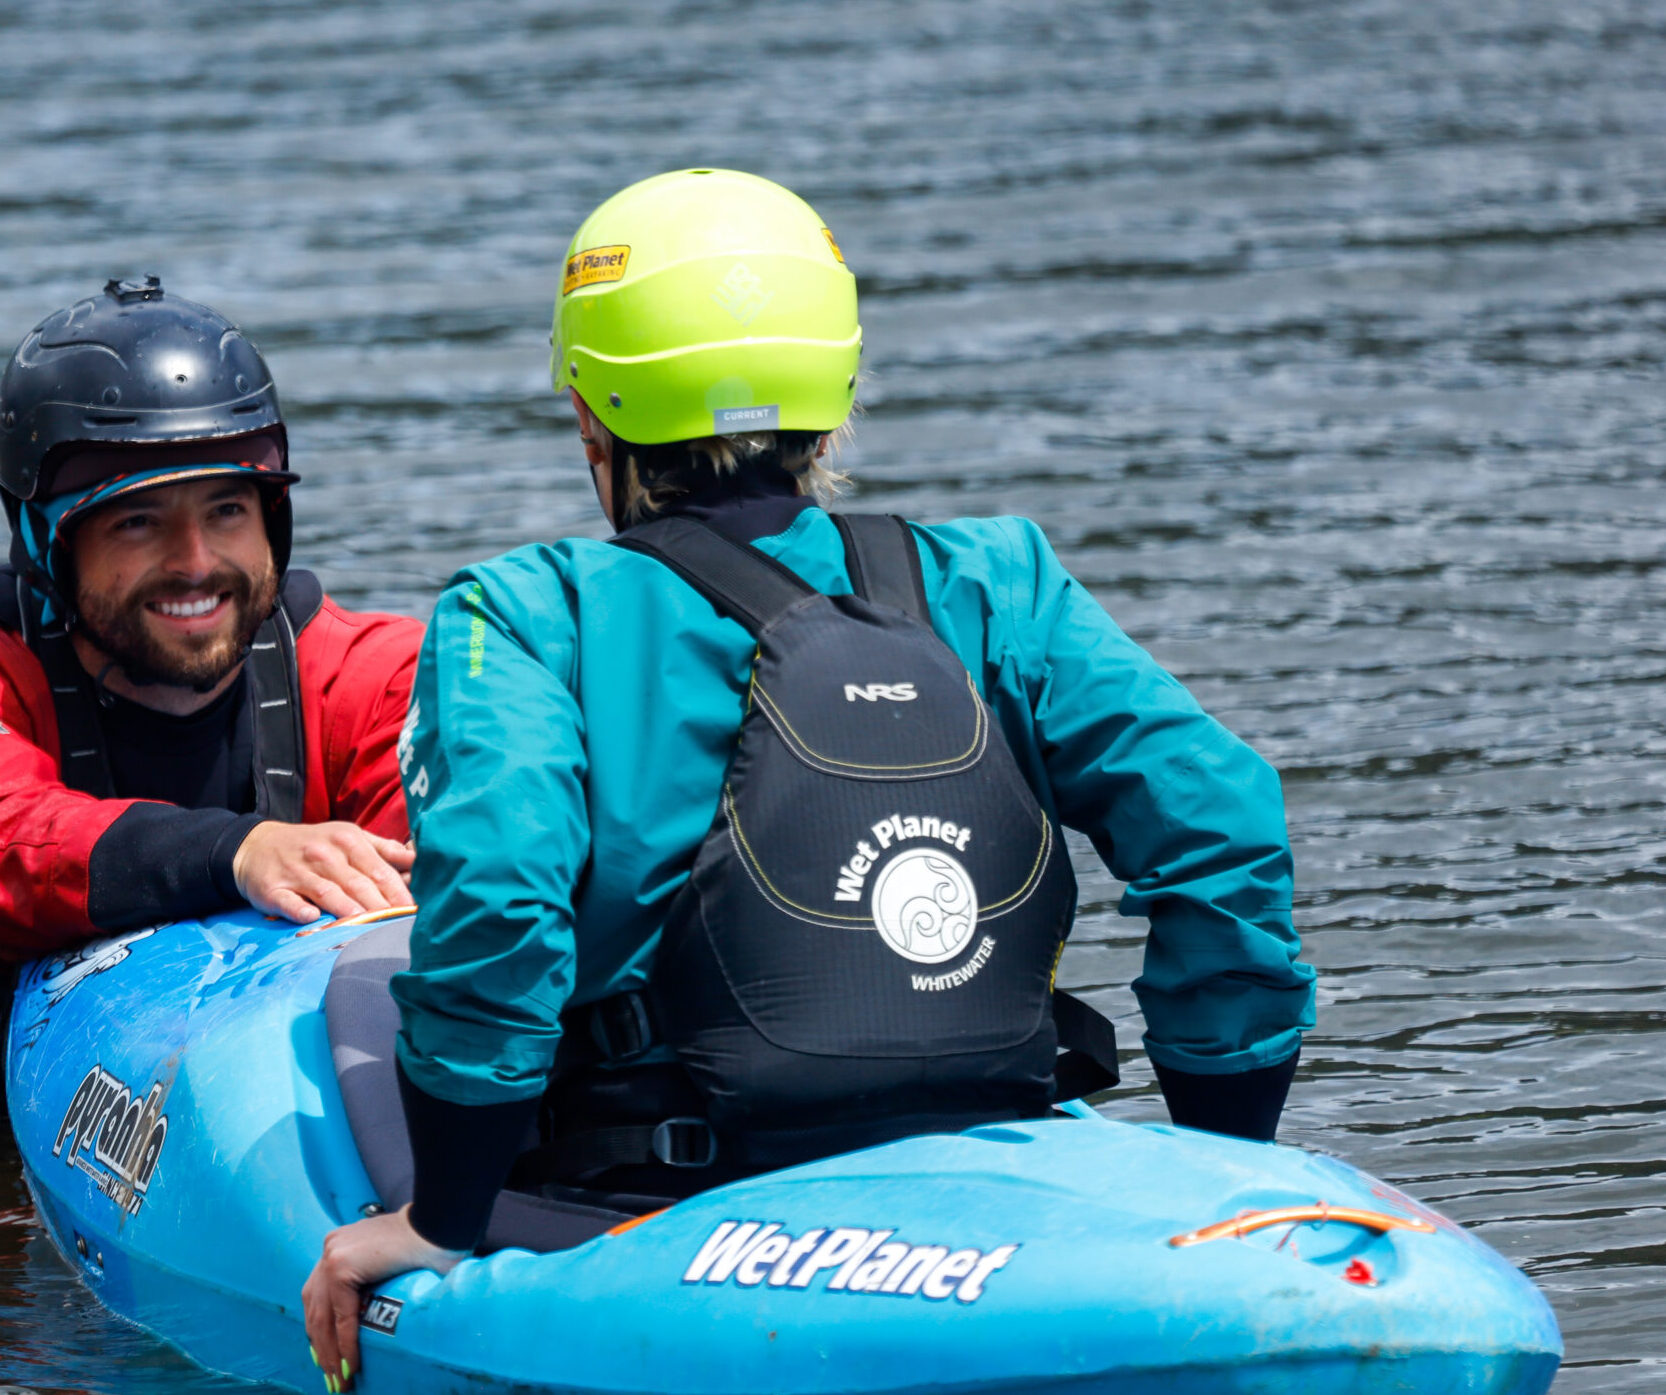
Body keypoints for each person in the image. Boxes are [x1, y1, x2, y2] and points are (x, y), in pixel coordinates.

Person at [301, 171, 1314, 1388]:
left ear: (590, 416)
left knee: (364, 975)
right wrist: (1223, 1170)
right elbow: (1225, 824)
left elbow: (503, 899)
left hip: (661, 1192)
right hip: (992, 1147)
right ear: (836, 400)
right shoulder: (1000, 578)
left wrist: (440, 1220)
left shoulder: (525, 614)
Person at [0, 277, 421, 1114]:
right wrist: (237, 852)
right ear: (41, 538)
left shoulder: (372, 672)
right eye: (137, 521)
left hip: (252, 1114)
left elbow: (458, 870)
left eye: (228, 510)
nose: (196, 561)